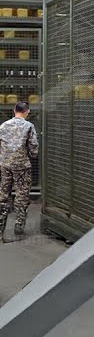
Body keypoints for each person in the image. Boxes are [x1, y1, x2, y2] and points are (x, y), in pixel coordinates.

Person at [0, 100, 38, 242]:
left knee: (3, 195)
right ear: (27, 111)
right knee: (22, 195)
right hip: (22, 165)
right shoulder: (29, 126)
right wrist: (31, 155)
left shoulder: (3, 125)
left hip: (5, 164)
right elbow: (33, 147)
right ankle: (19, 227)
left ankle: (0, 230)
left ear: (14, 110)